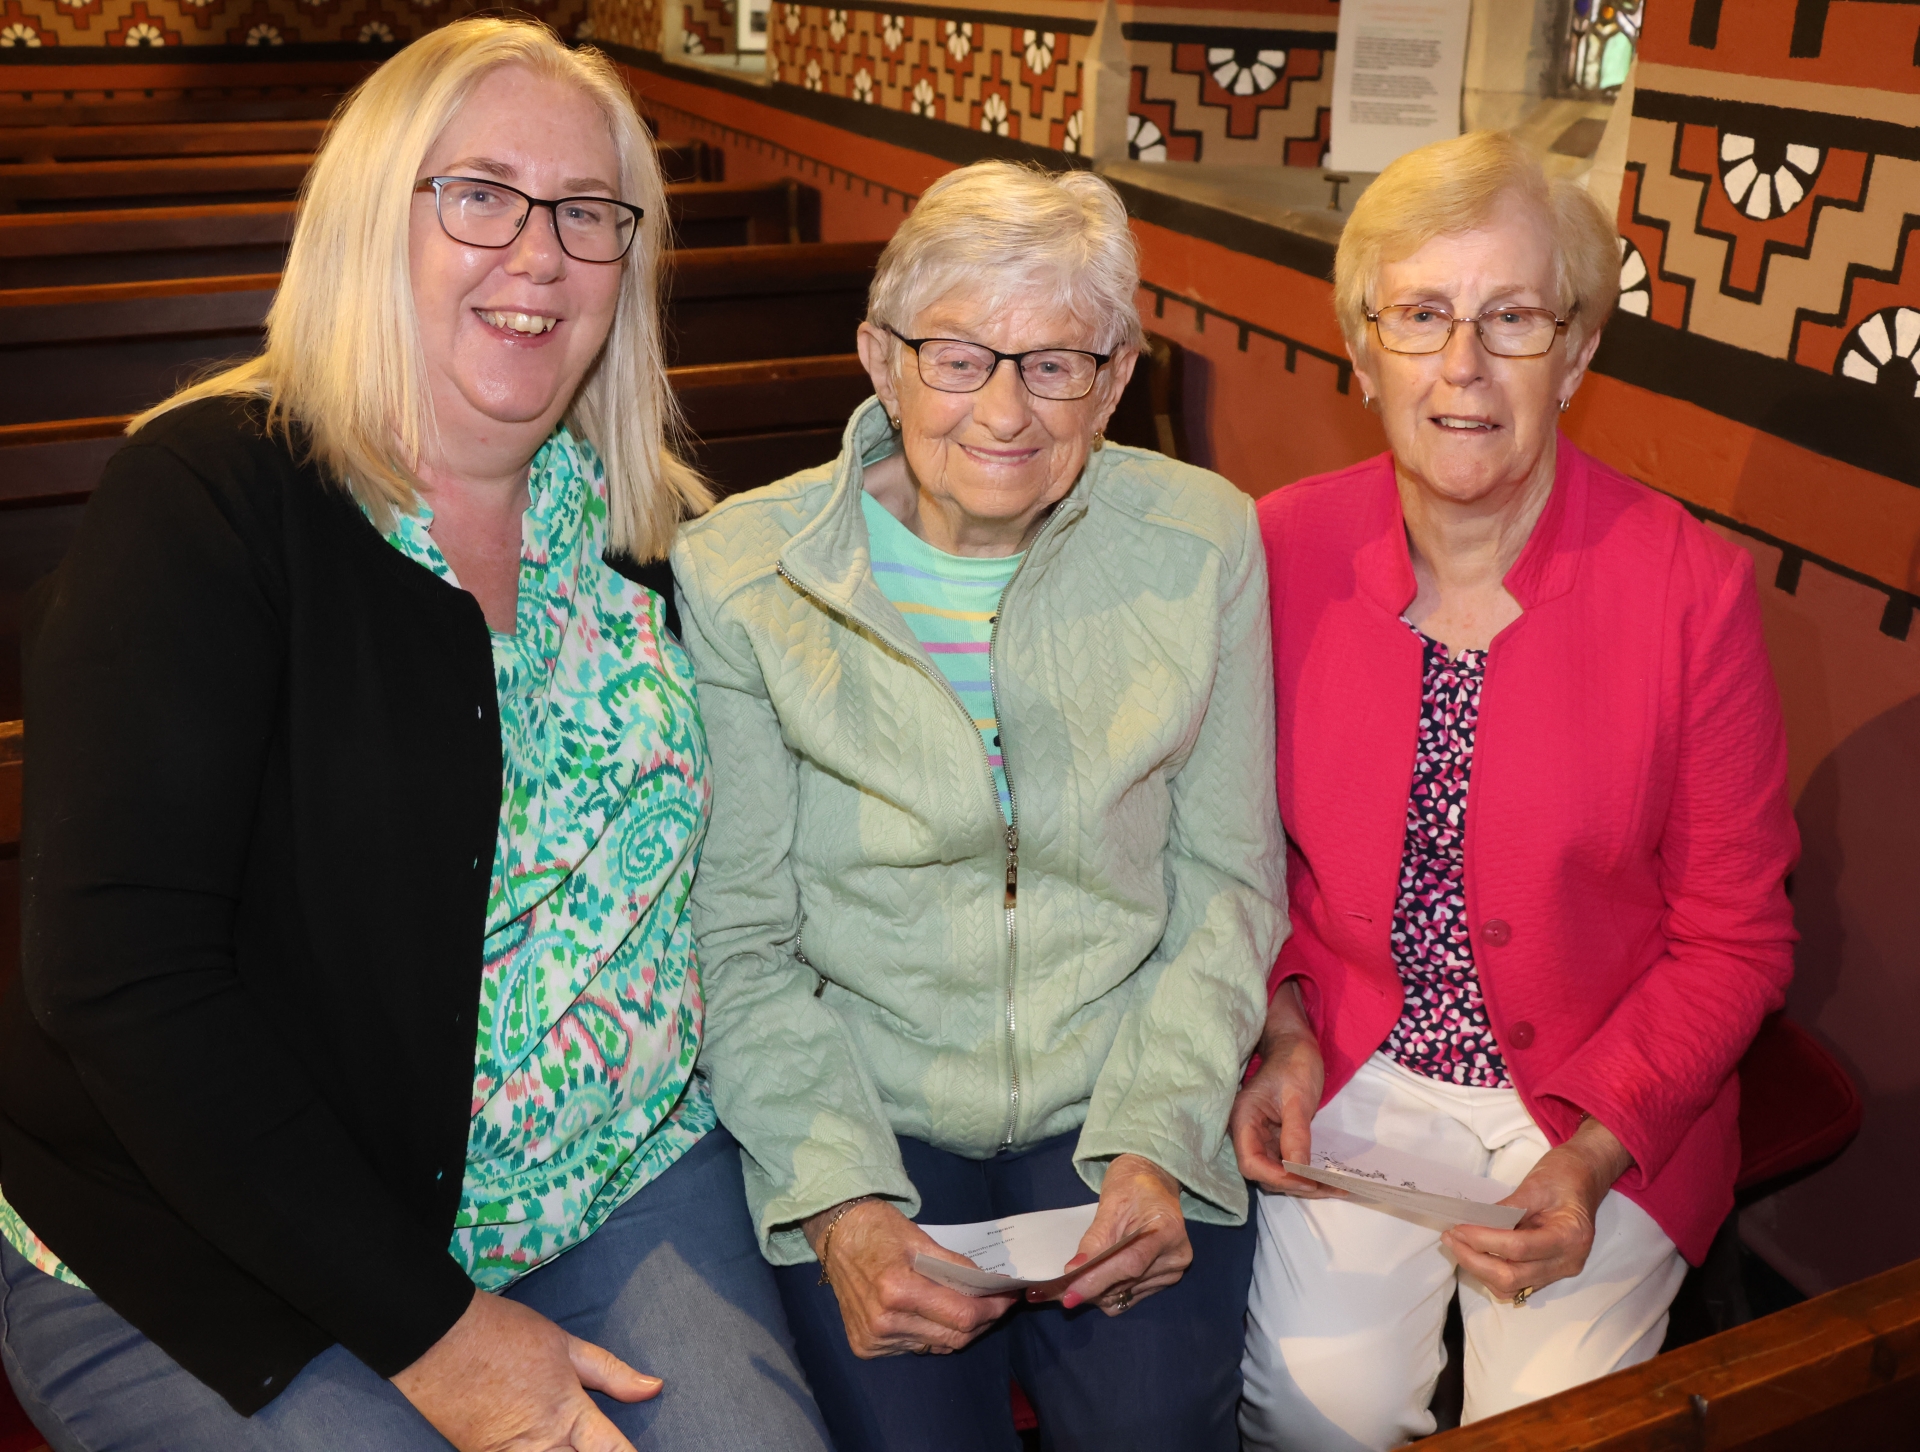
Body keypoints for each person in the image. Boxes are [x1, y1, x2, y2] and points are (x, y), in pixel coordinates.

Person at [0, 20, 832, 1452]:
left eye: (586, 212)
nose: (538, 254)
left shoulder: (648, 541)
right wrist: (435, 1334)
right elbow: (122, 979)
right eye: (480, 194)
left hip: (609, 1179)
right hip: (216, 1236)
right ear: (370, 218)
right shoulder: (208, 502)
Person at [670, 160, 1287, 1452]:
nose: (1005, 409)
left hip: (1117, 1086)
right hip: (869, 1103)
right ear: (880, 362)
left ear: (1117, 379)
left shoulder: (1203, 541)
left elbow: (1230, 879)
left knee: (1157, 1429)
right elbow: (736, 941)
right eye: (958, 358)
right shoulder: (741, 575)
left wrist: (1162, 1140)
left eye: (1057, 362)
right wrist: (838, 1201)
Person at [1234, 129, 1799, 1449]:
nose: (1464, 366)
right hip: (1357, 1060)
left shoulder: (1688, 592)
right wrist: (1279, 1025)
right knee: (1317, 1414)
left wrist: (1599, 1148)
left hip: (1603, 1088)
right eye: (1421, 315)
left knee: (1548, 1430)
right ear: (1363, 349)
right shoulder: (1275, 549)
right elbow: (1221, 849)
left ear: (1580, 352)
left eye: (1513, 318)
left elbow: (1736, 934)